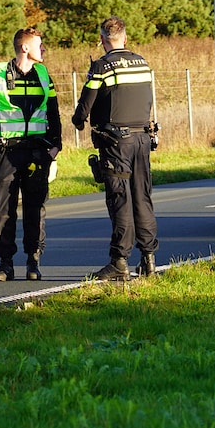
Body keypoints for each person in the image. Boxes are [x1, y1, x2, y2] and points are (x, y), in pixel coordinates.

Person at [0, 27, 62, 283]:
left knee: (35, 209)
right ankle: (5, 264)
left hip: (37, 152)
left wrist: (57, 145)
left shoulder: (43, 74)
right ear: (25, 48)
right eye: (39, 45)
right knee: (4, 210)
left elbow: (53, 112)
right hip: (7, 152)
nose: (43, 49)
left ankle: (33, 261)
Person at [71, 16, 159, 280]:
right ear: (125, 38)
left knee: (120, 199)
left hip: (116, 143)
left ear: (102, 40)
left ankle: (119, 262)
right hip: (143, 138)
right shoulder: (142, 62)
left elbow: (86, 103)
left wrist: (78, 120)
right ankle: (149, 259)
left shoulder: (102, 67)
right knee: (142, 197)